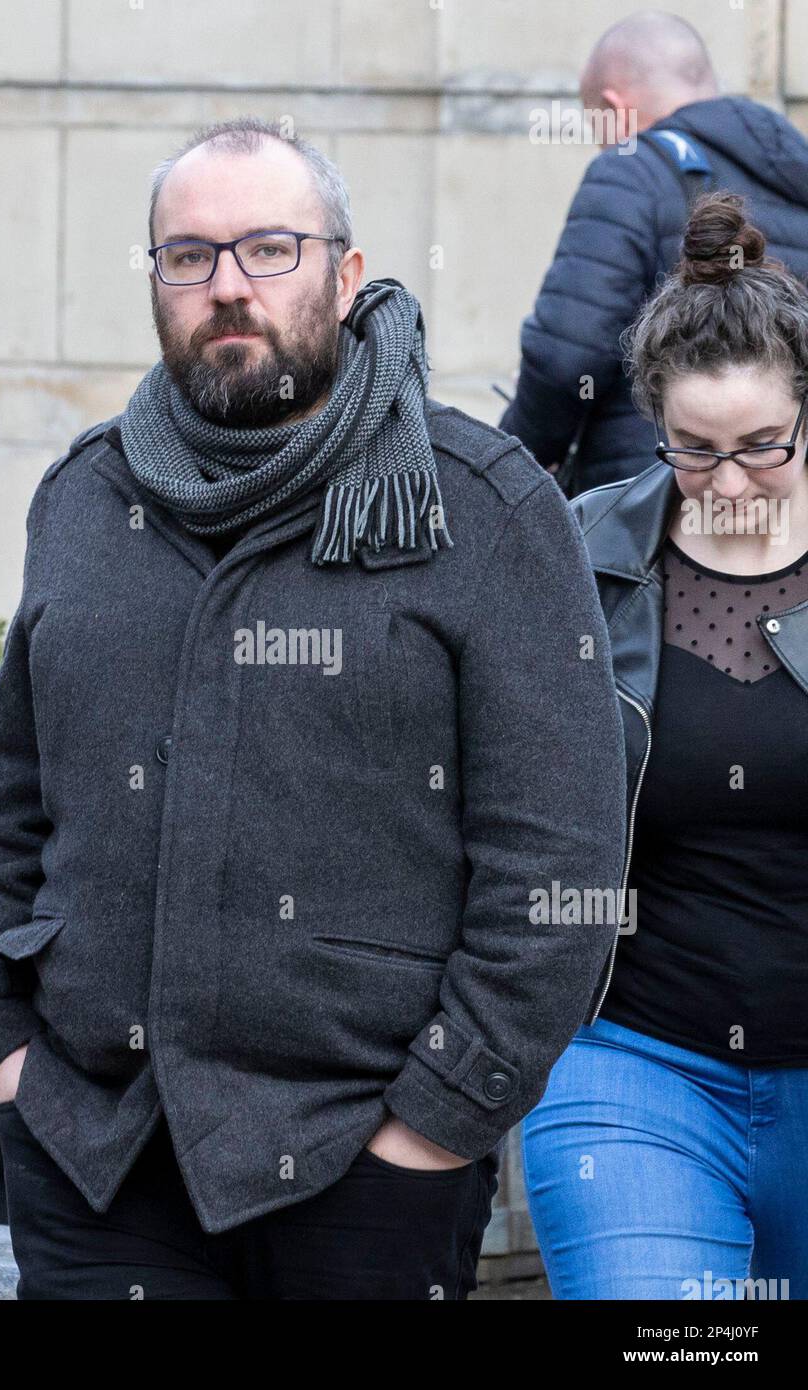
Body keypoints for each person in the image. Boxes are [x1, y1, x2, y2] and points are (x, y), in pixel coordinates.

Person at [0, 115, 629, 1301]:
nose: (225, 288)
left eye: (268, 249)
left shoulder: (477, 507)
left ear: (346, 274)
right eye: (188, 255)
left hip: (363, 1167)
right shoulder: (85, 497)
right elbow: (7, 803)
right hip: (97, 1156)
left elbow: (554, 864)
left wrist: (434, 1126)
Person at [522, 192, 808, 1300]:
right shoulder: (579, 557)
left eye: (761, 448)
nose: (728, 484)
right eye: (692, 451)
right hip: (632, 1064)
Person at [500, 9, 808, 495]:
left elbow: (565, 357)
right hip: (784, 502)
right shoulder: (793, 171)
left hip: (651, 502)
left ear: (611, 105)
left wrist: (512, 470)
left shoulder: (630, 171)